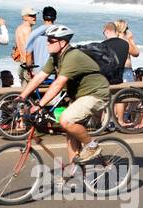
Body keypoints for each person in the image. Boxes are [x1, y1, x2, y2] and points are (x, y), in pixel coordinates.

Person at [18, 23, 110, 167]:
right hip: (80, 96)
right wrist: (22, 96)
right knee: (70, 135)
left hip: (96, 94)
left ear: (62, 42)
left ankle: (92, 146)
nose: (47, 43)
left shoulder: (72, 56)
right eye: (47, 40)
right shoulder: (55, 57)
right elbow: (40, 76)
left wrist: (40, 105)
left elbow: (58, 84)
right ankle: (75, 173)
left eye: (51, 41)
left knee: (66, 120)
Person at [25, 6, 58, 73]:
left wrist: (30, 71)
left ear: (43, 18)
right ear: (55, 18)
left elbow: (28, 54)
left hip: (38, 73)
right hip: (54, 73)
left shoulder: (34, 33)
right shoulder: (59, 32)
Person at [13, 7, 37, 86]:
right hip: (27, 65)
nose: (34, 17)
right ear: (24, 17)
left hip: (21, 64)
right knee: (29, 93)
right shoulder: (27, 29)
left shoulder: (19, 28)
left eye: (35, 15)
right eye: (31, 15)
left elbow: (16, 47)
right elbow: (28, 49)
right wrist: (30, 67)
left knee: (24, 91)